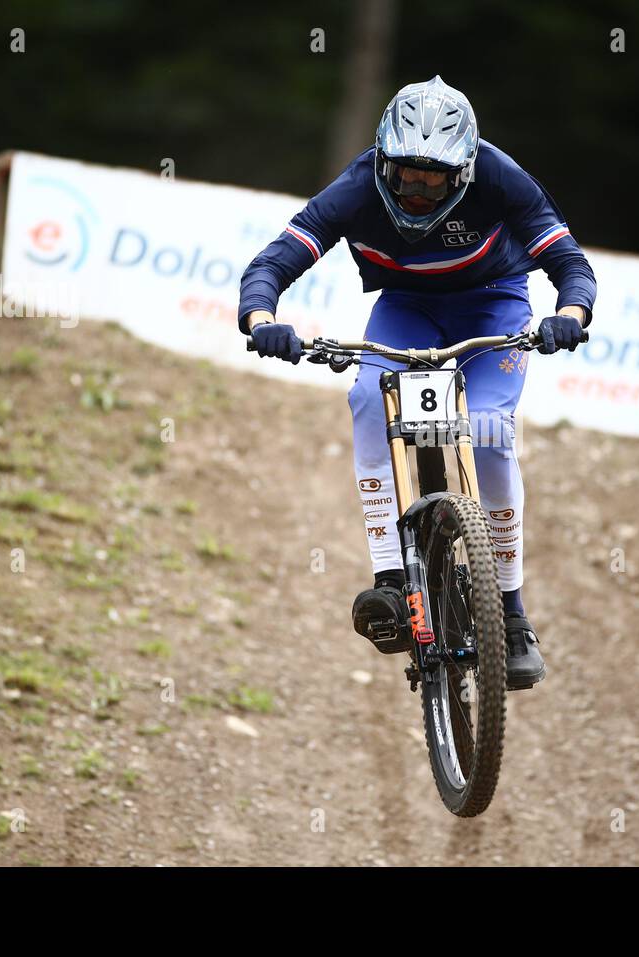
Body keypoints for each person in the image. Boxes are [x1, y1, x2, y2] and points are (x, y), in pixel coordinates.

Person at [239, 75, 596, 689]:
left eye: (436, 176)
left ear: (464, 172)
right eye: (407, 173)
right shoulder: (355, 188)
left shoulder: (500, 176)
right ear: (383, 161)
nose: (421, 189)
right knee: (367, 404)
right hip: (406, 309)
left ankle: (512, 617)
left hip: (495, 307)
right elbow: (273, 261)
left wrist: (570, 313)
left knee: (486, 434)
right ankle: (390, 582)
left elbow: (570, 264)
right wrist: (262, 317)